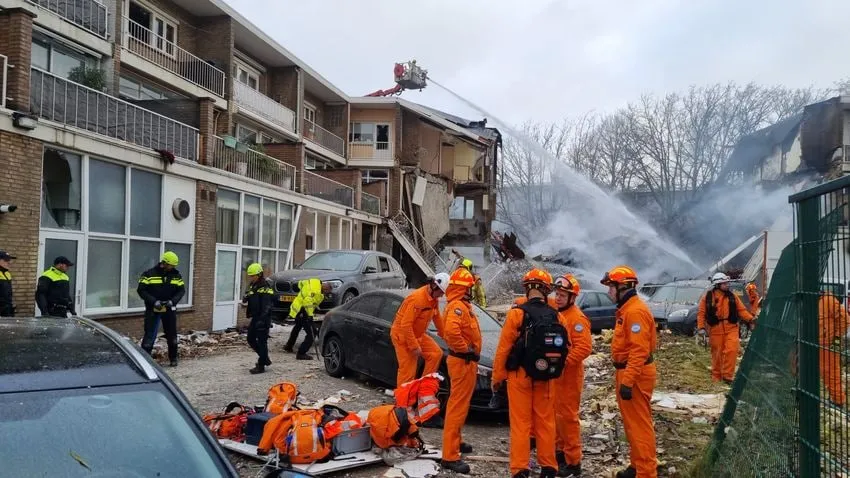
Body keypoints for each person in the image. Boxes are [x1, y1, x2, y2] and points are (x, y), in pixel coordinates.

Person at [492, 268, 562, 478]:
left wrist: (497, 378)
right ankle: (548, 467)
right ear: (546, 290)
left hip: (520, 376)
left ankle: (520, 469)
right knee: (545, 423)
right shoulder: (557, 316)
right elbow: (564, 346)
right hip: (546, 376)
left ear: (527, 289)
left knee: (521, 424)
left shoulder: (517, 314)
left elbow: (503, 349)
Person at [601, 265, 657, 478]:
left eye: (611, 287)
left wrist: (628, 381)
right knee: (632, 424)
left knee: (639, 426)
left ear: (622, 287)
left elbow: (639, 350)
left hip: (635, 374)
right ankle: (637, 466)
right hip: (628, 372)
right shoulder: (627, 310)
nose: (609, 292)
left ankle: (646, 472)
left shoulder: (634, 312)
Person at [440, 267, 480, 474]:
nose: (472, 291)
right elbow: (451, 332)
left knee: (460, 406)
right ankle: (450, 455)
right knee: (457, 408)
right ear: (464, 289)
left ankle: (456, 441)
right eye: (470, 287)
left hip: (465, 362)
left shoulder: (461, 306)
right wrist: (466, 349)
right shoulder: (457, 307)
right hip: (462, 362)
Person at [553, 274, 592, 477]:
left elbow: (584, 348)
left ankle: (573, 462)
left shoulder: (577, 319)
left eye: (562, 295)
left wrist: (563, 362)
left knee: (568, 418)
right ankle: (560, 453)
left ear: (572, 297)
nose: (558, 298)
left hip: (569, 376)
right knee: (556, 417)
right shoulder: (558, 314)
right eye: (557, 294)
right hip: (556, 376)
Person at [696, 272, 753, 383]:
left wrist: (751, 319)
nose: (727, 285)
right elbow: (701, 313)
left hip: (731, 328)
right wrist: (701, 328)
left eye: (727, 283)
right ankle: (716, 378)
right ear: (718, 285)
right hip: (715, 330)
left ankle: (727, 376)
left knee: (732, 350)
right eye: (724, 283)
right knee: (717, 355)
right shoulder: (707, 298)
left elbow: (742, 310)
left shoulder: (732, 297)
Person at [137, 251, 186, 367]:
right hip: (153, 309)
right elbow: (141, 290)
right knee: (150, 334)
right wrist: (154, 302)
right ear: (164, 263)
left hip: (169, 308)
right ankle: (145, 361)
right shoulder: (149, 274)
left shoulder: (176, 275)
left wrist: (172, 301)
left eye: (174, 266)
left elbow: (181, 290)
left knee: (172, 334)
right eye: (171, 265)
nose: (172, 267)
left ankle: (173, 358)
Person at [284, 278, 329, 360]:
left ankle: (289, 346)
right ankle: (301, 353)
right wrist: (310, 315)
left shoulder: (315, 283)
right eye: (327, 292)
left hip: (298, 308)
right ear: (325, 288)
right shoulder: (316, 291)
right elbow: (307, 301)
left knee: (297, 327)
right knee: (312, 333)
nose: (327, 294)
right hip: (303, 311)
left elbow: (301, 284)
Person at [242, 263, 274, 374]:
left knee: (262, 342)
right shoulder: (253, 285)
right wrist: (246, 297)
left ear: (259, 275)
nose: (251, 278)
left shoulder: (265, 287)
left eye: (253, 276)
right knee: (250, 339)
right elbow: (251, 294)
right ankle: (265, 358)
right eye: (250, 276)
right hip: (255, 317)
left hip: (263, 318)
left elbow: (267, 305)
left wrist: (262, 320)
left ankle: (261, 365)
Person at [818, 289, 848, 408]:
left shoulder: (828, 300)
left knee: (830, 372)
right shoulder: (813, 302)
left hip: (828, 344)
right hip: (815, 343)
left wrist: (836, 339)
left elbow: (845, 319)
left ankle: (838, 401)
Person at [0, 250, 15, 317]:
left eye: (9, 260)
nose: (9, 262)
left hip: (7, 310)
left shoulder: (7, 273)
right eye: (6, 260)